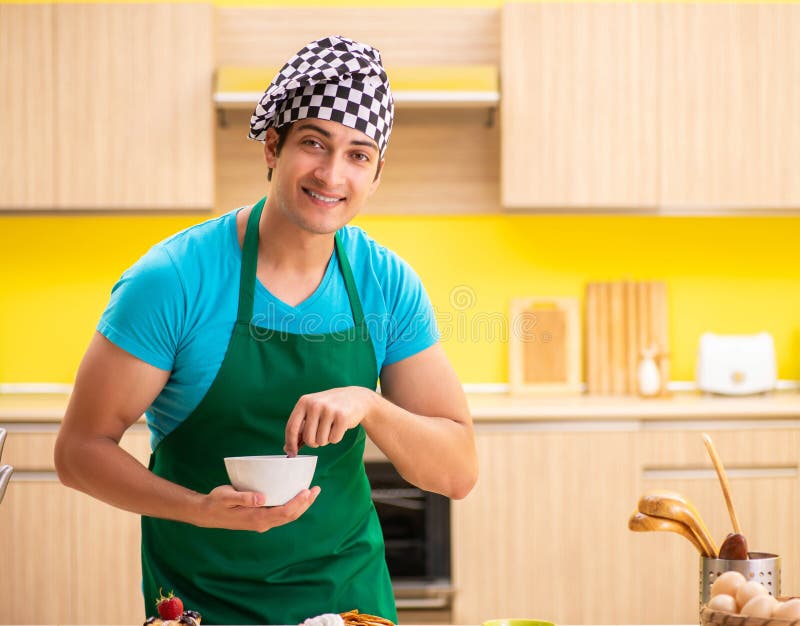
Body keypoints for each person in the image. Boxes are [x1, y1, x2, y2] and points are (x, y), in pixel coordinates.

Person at [54, 35, 477, 625]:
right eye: (314, 143)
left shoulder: (387, 285)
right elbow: (79, 452)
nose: (332, 174)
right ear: (272, 146)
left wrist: (370, 406)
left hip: (345, 602)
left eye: (358, 154)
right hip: (203, 601)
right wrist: (201, 509)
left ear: (377, 173)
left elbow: (456, 472)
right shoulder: (174, 280)